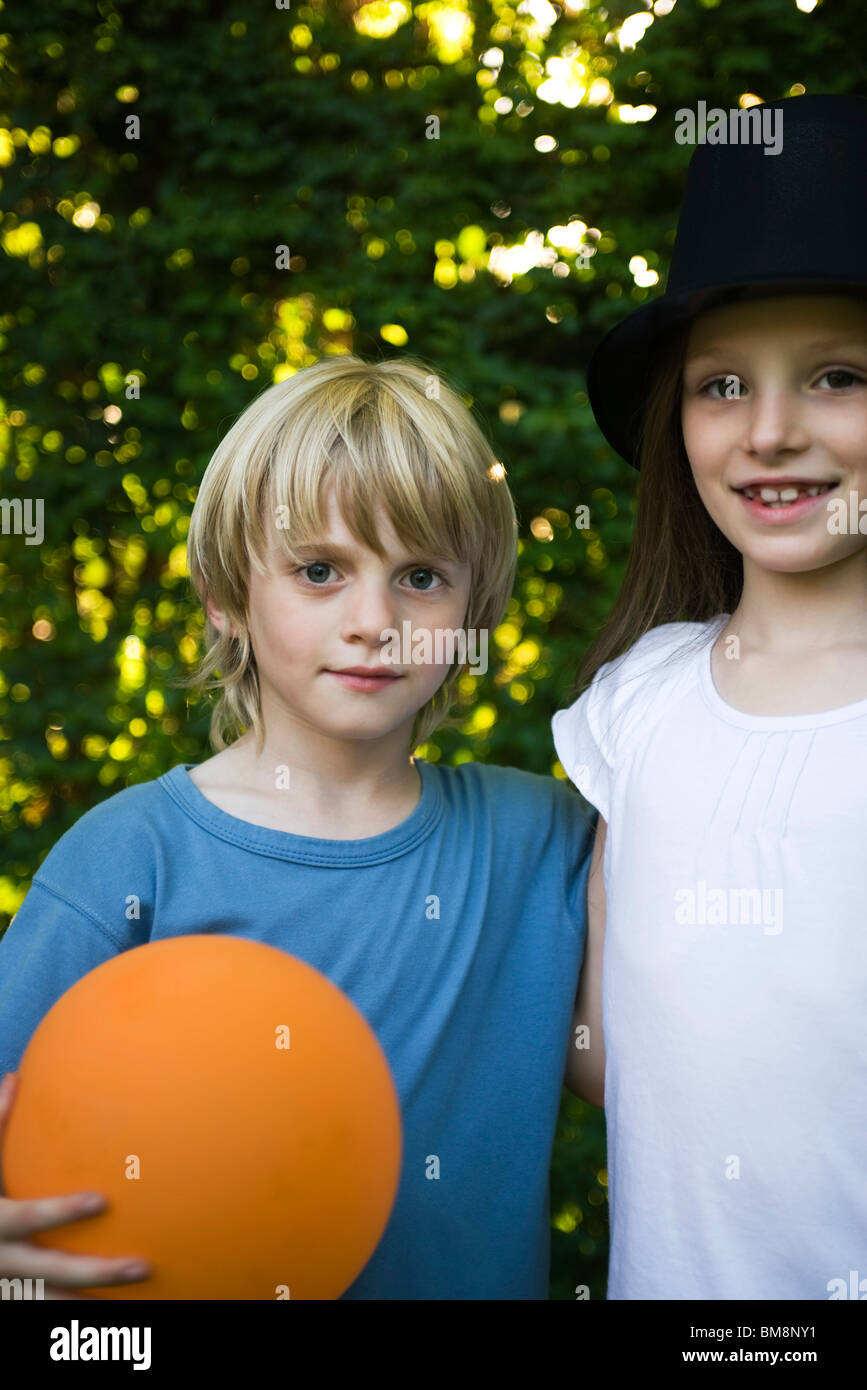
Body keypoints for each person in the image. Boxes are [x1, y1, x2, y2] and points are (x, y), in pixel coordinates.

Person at [0, 354, 593, 1300]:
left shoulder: (543, 841)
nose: (373, 620)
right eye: (319, 570)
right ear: (226, 597)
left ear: (474, 608)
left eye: (422, 577)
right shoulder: (131, 855)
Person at [554, 92, 867, 1300]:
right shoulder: (637, 705)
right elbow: (596, 1045)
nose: (771, 432)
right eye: (722, 386)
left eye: (836, 376)